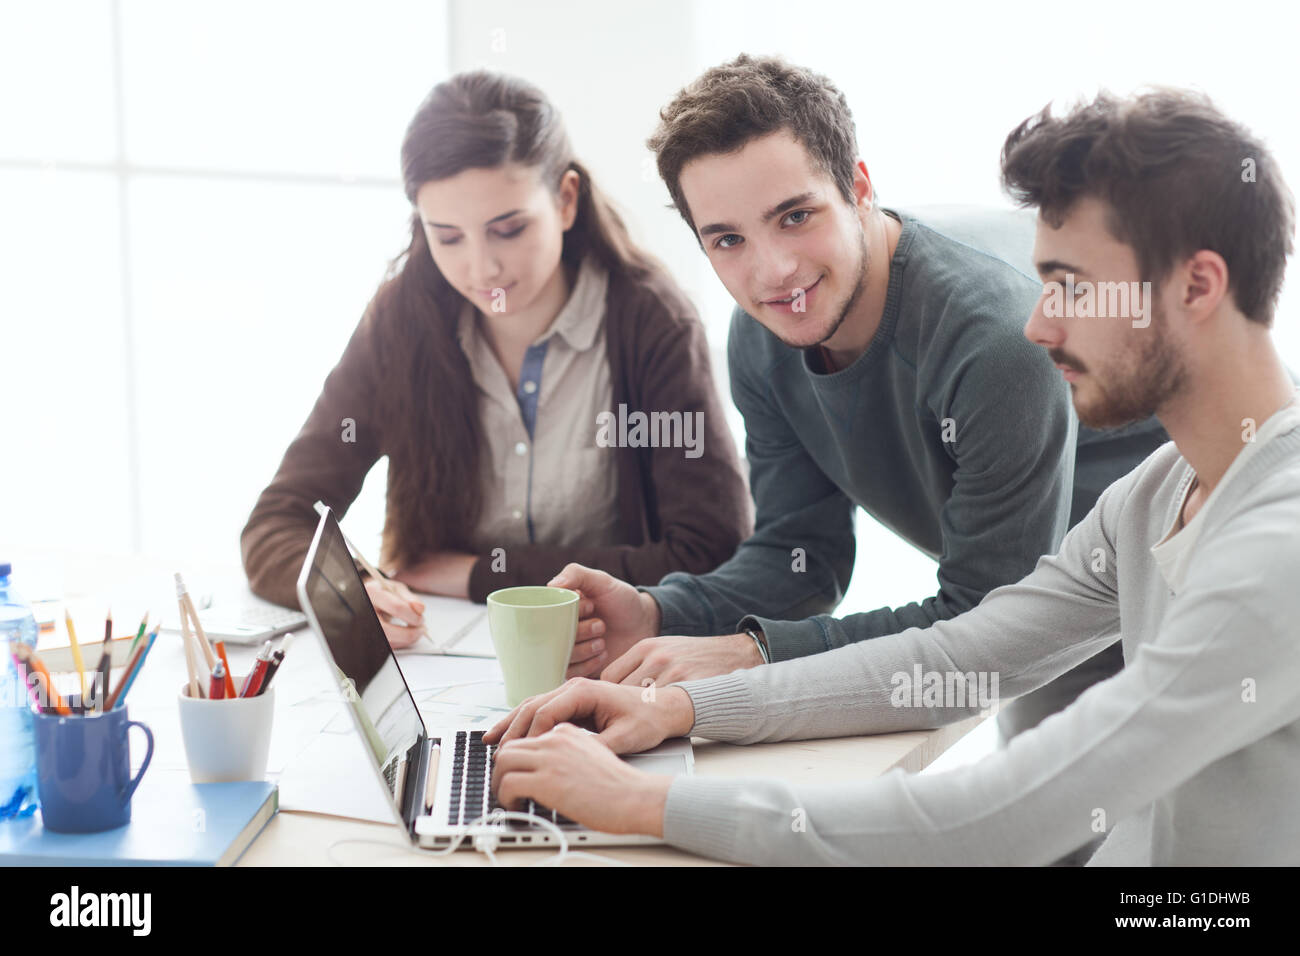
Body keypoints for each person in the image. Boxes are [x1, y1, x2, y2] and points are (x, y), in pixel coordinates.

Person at [487, 87, 1300, 866]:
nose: (1039, 321)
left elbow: (993, 820)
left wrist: (644, 805)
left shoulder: (1277, 554)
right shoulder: (1156, 492)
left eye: (1070, 287)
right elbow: (959, 656)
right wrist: (678, 707)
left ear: (1197, 286)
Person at [557, 55, 1167, 752]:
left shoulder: (991, 342)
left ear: (859, 187)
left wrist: (756, 653)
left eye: (795, 216)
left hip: (1186, 582)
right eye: (727, 239)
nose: (773, 272)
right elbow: (801, 554)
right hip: (1050, 606)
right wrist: (658, 611)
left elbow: (989, 626)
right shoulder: (764, 339)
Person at [240, 71, 751, 647]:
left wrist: (480, 574)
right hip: (444, 660)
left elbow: (711, 553)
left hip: (606, 663)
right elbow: (278, 522)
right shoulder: (400, 321)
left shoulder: (650, 323)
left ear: (565, 200)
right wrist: (353, 587)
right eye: (448, 237)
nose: (482, 269)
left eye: (507, 229)